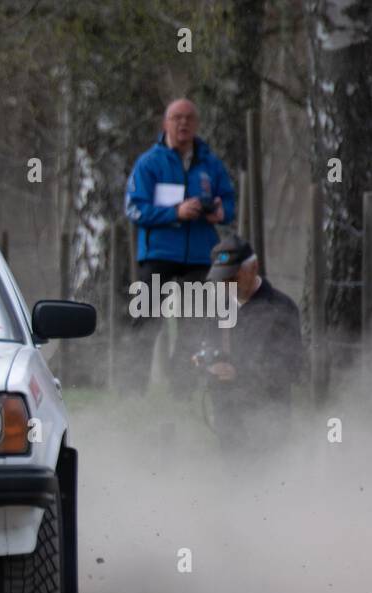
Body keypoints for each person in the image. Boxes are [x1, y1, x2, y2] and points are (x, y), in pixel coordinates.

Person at [125, 98, 236, 393]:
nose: (182, 123)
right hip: (159, 253)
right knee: (146, 320)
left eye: (188, 118)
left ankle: (182, 389)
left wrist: (221, 211)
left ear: (196, 124)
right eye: (176, 118)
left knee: (193, 323)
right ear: (165, 124)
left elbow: (230, 200)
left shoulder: (211, 164)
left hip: (200, 255)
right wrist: (175, 212)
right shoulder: (149, 163)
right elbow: (135, 209)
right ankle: (132, 391)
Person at [194, 235, 304, 454]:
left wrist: (239, 372)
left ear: (253, 268)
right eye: (220, 279)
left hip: (269, 418)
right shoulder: (218, 308)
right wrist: (204, 360)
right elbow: (209, 345)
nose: (225, 285)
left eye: (232, 278)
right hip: (227, 416)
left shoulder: (281, 308)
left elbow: (290, 367)